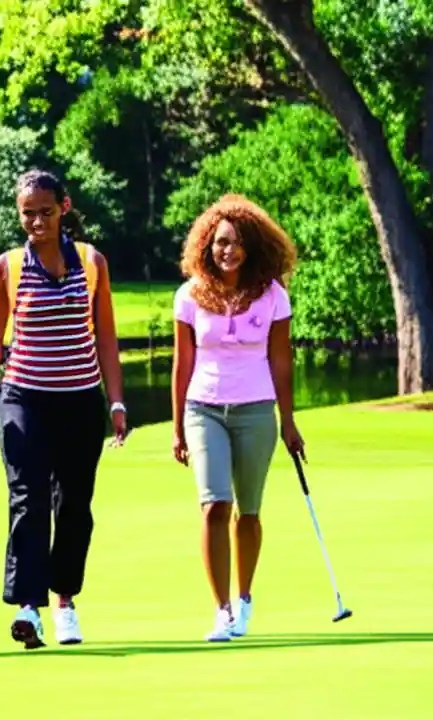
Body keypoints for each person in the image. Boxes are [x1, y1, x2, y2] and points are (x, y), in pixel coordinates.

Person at [0, 169, 128, 649]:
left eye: (44, 211)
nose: (36, 221)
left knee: (75, 505)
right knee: (28, 498)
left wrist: (117, 399)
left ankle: (65, 603)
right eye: (27, 213)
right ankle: (27, 608)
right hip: (23, 397)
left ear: (64, 207)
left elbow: (105, 335)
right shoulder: (8, 267)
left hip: (81, 399)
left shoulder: (91, 261)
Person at [170, 193, 304, 642]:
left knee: (248, 512)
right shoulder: (189, 295)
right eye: (219, 242)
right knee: (214, 504)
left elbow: (281, 361)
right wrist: (176, 428)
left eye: (236, 243)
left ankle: (245, 599)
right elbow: (182, 364)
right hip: (203, 408)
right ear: (207, 245)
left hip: (256, 410)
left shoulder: (273, 297)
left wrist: (288, 420)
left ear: (253, 247)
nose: (227, 250)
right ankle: (222, 610)